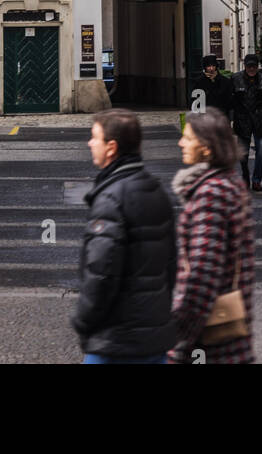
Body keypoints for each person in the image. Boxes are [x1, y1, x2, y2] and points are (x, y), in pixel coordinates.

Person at [73, 108, 177, 364]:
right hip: (154, 337)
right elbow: (172, 265)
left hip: (115, 339)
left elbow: (102, 273)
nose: (89, 143)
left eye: (94, 137)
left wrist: (83, 320)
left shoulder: (111, 198)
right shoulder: (156, 190)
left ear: (111, 147)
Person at [168, 107, 255, 364]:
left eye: (188, 138)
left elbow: (203, 276)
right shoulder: (229, 184)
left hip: (210, 343)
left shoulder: (211, 193)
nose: (180, 142)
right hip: (225, 339)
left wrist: (172, 336)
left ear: (206, 148)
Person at [231, 53, 262, 191]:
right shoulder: (235, 79)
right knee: (243, 152)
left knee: (261, 151)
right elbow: (231, 101)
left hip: (259, 120)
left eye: (254, 66)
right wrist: (232, 118)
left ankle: (256, 180)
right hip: (242, 120)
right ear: (245, 66)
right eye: (249, 66)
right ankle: (245, 175)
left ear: (257, 66)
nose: (251, 69)